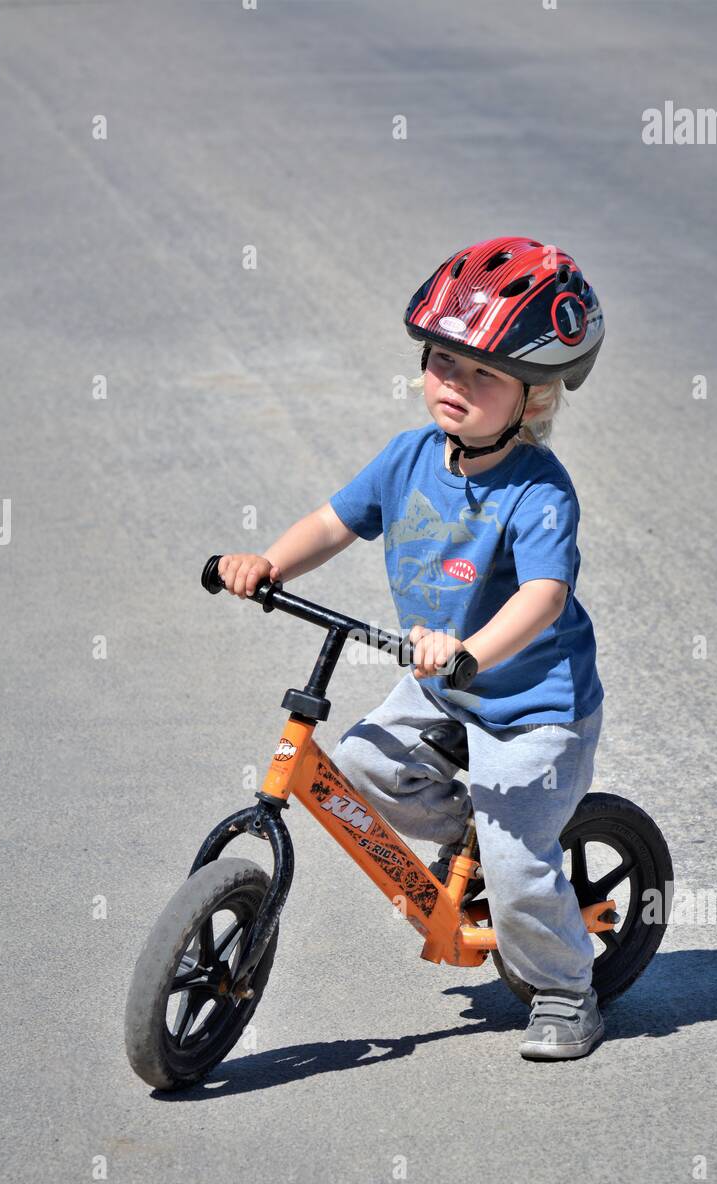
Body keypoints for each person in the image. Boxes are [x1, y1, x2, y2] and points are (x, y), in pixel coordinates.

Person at [219, 235, 607, 1061]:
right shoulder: (408, 458)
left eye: (483, 374)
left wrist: (468, 650)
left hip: (532, 706)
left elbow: (544, 595)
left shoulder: (538, 490)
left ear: (535, 395)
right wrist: (269, 562)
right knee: (357, 766)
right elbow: (335, 522)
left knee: (516, 860)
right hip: (443, 686)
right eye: (441, 361)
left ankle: (567, 989)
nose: (453, 385)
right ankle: (477, 833)